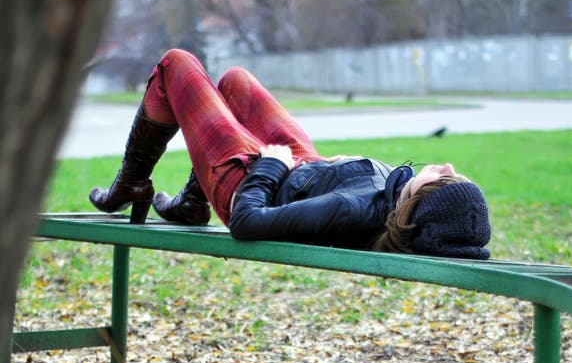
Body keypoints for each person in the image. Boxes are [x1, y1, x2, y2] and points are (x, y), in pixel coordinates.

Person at [90, 49, 491, 259]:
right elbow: (354, 191)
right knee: (236, 83)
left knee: (175, 66)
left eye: (446, 179)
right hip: (302, 171)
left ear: (421, 201)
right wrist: (340, 166)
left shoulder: (348, 209)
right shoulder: (390, 197)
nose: (449, 166)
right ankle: (192, 203)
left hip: (250, 185)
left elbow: (247, 222)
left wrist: (270, 165)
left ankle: (130, 183)